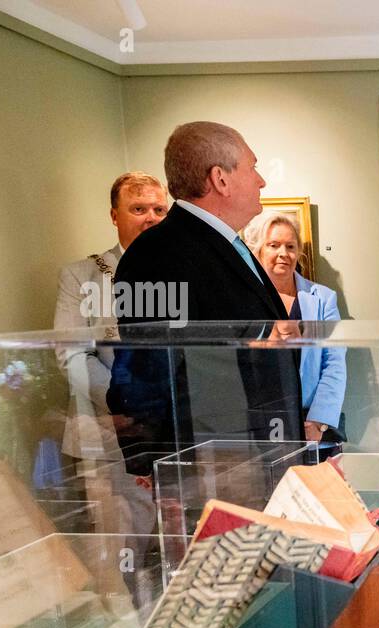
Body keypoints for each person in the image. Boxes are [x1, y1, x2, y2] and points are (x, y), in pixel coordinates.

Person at [109, 121, 304, 479]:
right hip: (212, 465)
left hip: (260, 449)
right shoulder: (157, 254)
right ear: (221, 179)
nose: (261, 180)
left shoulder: (229, 244)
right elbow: (150, 371)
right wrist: (161, 469)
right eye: (252, 167)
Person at [51, 171, 167, 609]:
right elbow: (72, 355)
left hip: (170, 432)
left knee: (174, 539)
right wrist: (126, 403)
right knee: (122, 544)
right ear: (114, 215)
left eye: (160, 210)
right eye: (139, 209)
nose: (151, 218)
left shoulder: (181, 273)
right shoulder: (83, 276)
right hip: (109, 429)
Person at [245, 210, 347, 445]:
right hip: (259, 426)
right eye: (273, 245)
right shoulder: (246, 301)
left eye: (290, 246)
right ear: (259, 250)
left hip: (312, 426)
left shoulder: (323, 298)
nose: (283, 254)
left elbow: (335, 363)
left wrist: (319, 422)